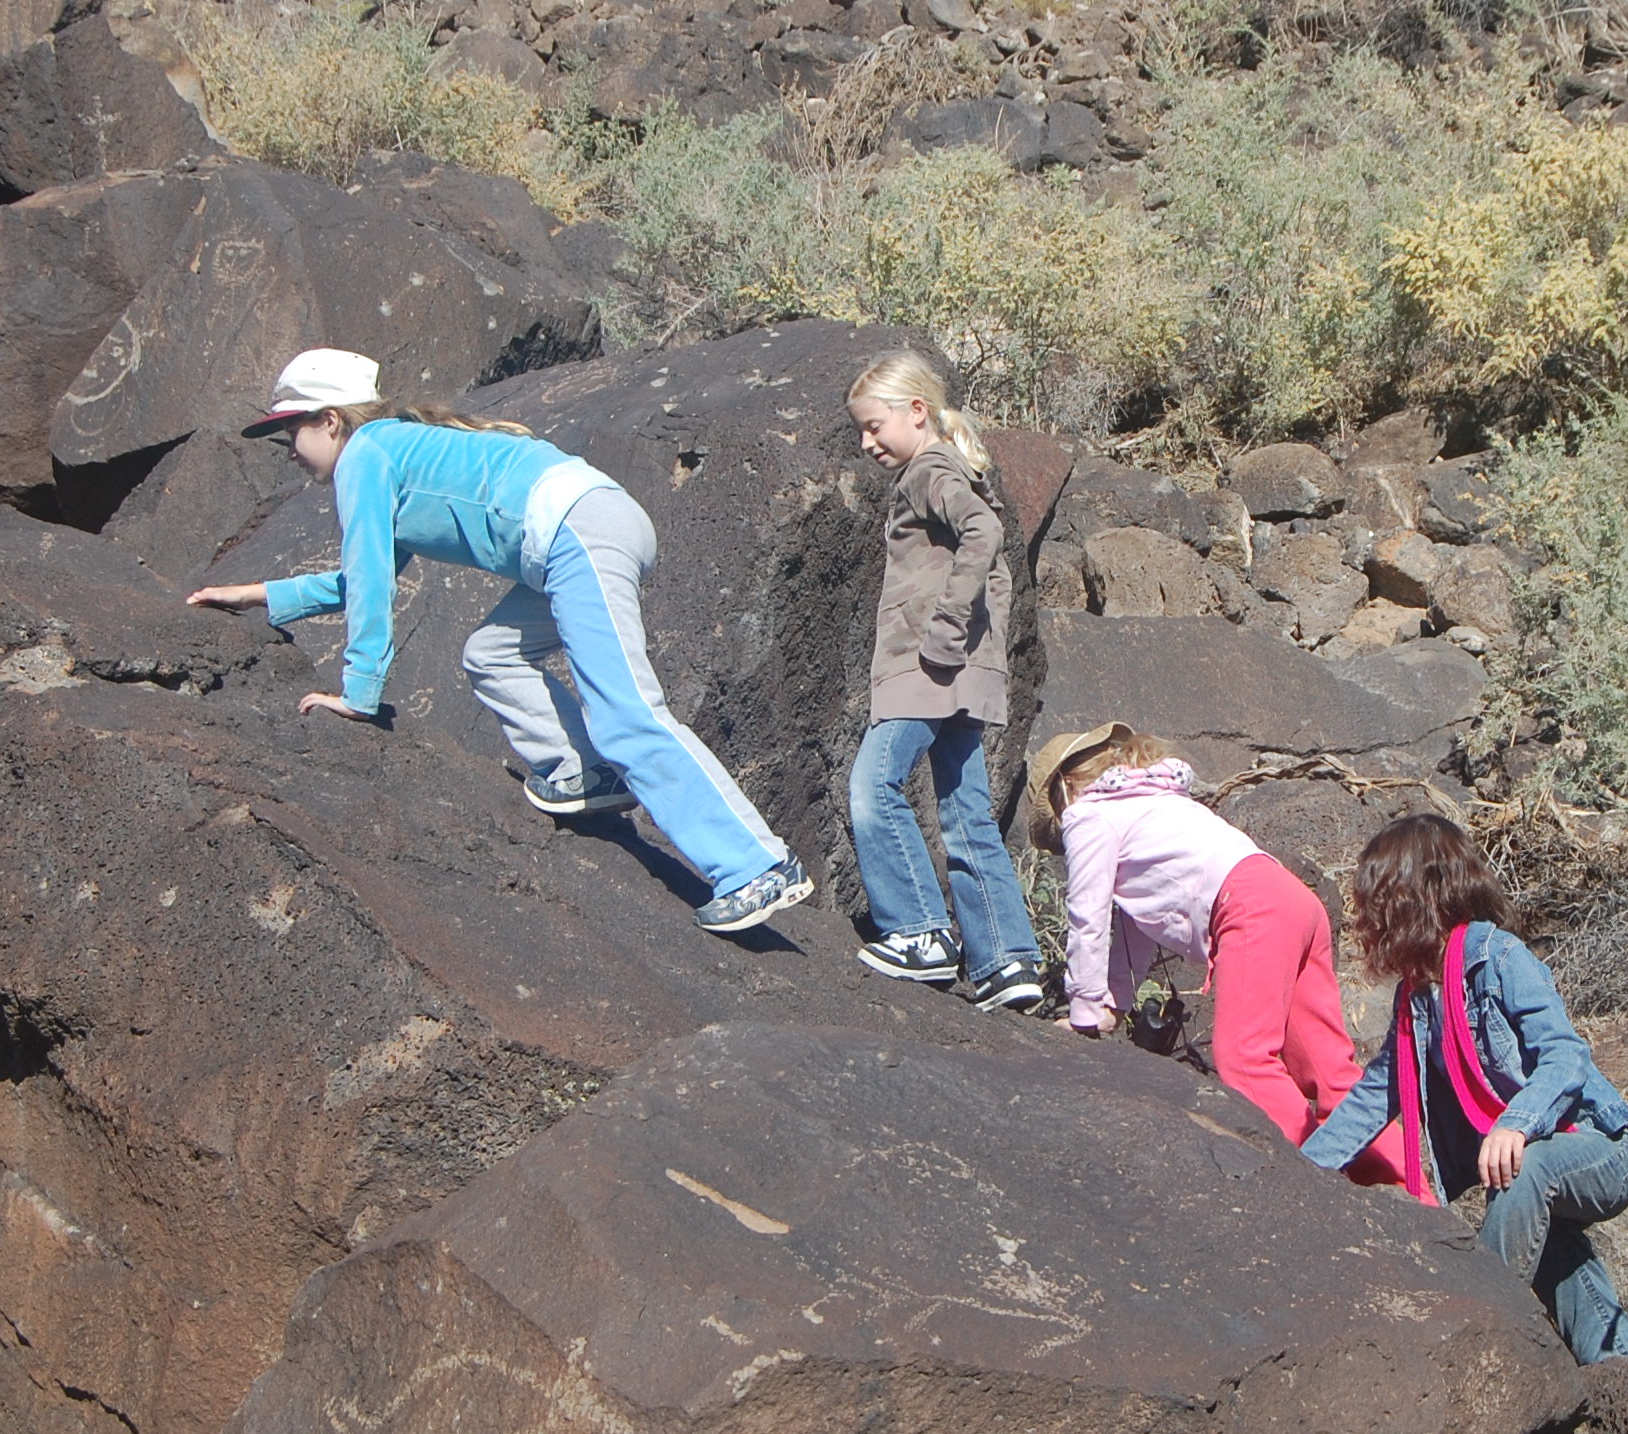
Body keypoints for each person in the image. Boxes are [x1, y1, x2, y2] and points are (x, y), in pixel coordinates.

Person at [185, 348, 813, 935]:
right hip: (585, 526)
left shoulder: (366, 455)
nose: (288, 451)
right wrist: (257, 595)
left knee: (626, 712)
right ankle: (586, 773)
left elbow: (371, 581)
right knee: (491, 654)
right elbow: (359, 577)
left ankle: (757, 866)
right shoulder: (394, 447)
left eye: (289, 431)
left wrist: (359, 694)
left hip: (576, 533)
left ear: (329, 421)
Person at [1302, 815, 1628, 1363]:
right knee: (1562, 1261)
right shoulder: (1417, 998)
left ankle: (1478, 1328)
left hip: (1600, 1147)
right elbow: (1374, 1096)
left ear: (1411, 899)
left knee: (1525, 1170)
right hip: (1529, 1165)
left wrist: (1516, 1124)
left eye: (1376, 902)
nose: (1368, 919)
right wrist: (1300, 1173)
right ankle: (1619, 1371)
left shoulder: (1500, 956)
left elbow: (1566, 1056)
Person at [1027, 723, 1365, 1147]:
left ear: (1064, 787)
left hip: (1247, 907)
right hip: (1292, 898)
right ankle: (1400, 1180)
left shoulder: (1087, 813)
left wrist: (1084, 1012)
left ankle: (1315, 1171)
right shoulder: (1158, 796)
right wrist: (1114, 1003)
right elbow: (1137, 921)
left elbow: (1088, 917)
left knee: (1244, 1059)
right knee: (1328, 1067)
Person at [843, 352, 1047, 1012]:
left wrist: (946, 624)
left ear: (916, 411)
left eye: (874, 426)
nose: (867, 442)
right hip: (966, 670)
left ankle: (920, 929)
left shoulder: (928, 469)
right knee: (965, 811)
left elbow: (983, 531)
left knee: (873, 785)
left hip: (928, 664)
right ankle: (1006, 959)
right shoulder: (952, 467)